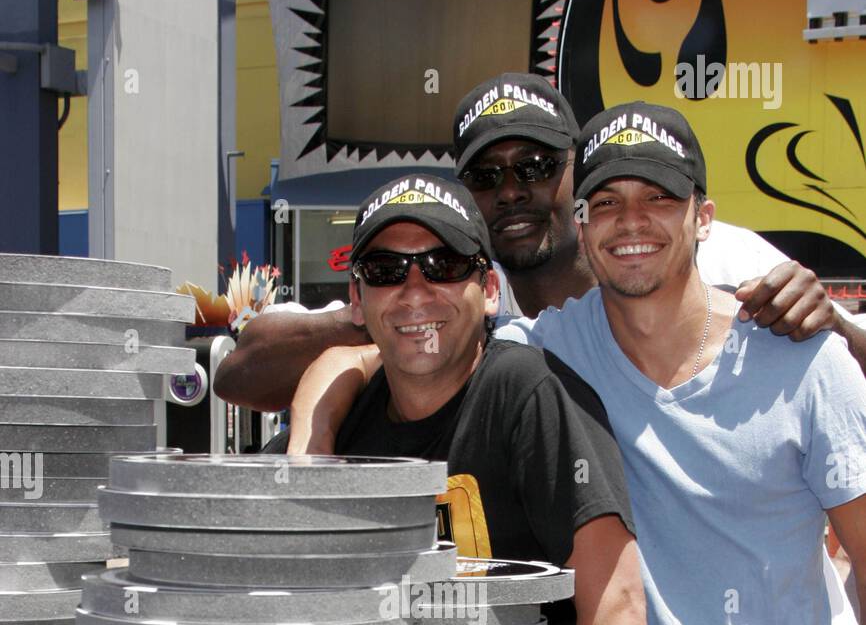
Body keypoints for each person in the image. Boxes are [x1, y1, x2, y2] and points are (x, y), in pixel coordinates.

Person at [495, 100, 866, 625]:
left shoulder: (805, 361)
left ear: (704, 217)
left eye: (657, 198)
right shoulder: (548, 354)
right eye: (606, 203)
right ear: (582, 226)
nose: (631, 222)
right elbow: (414, 347)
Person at [263, 176, 647, 625]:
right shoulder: (344, 414)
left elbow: (616, 594)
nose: (415, 292)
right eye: (386, 270)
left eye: (442, 266)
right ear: (358, 299)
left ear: (489, 291)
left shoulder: (523, 390)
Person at [212, 74, 866, 411]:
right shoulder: (462, 289)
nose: (512, 191)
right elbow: (240, 374)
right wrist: (395, 319)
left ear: (579, 169)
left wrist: (831, 320)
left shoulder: (706, 254)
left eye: (535, 167)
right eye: (486, 177)